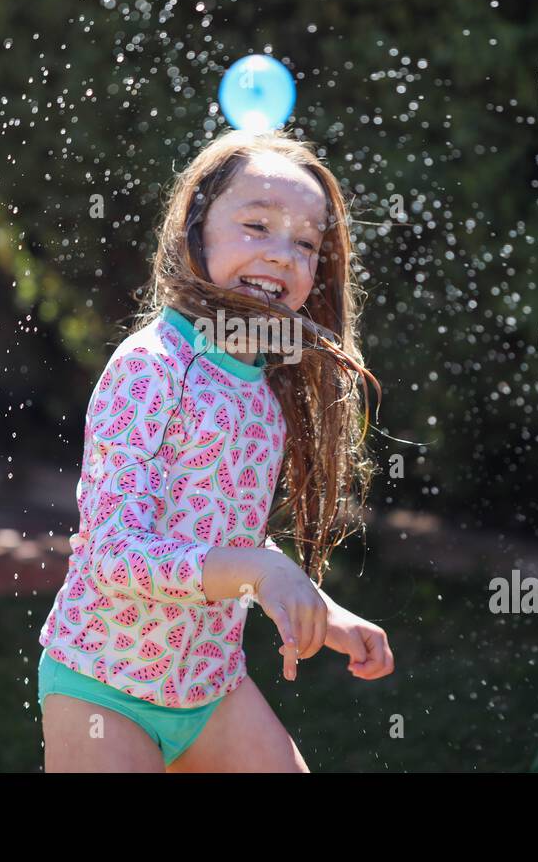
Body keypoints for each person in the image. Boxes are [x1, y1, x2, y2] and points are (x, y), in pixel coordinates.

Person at [37, 127, 393, 772]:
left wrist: (317, 605)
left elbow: (217, 532)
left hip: (211, 689)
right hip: (104, 685)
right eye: (256, 225)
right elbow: (115, 556)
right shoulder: (151, 366)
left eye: (306, 243)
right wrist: (261, 567)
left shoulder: (261, 388)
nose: (283, 255)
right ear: (194, 231)